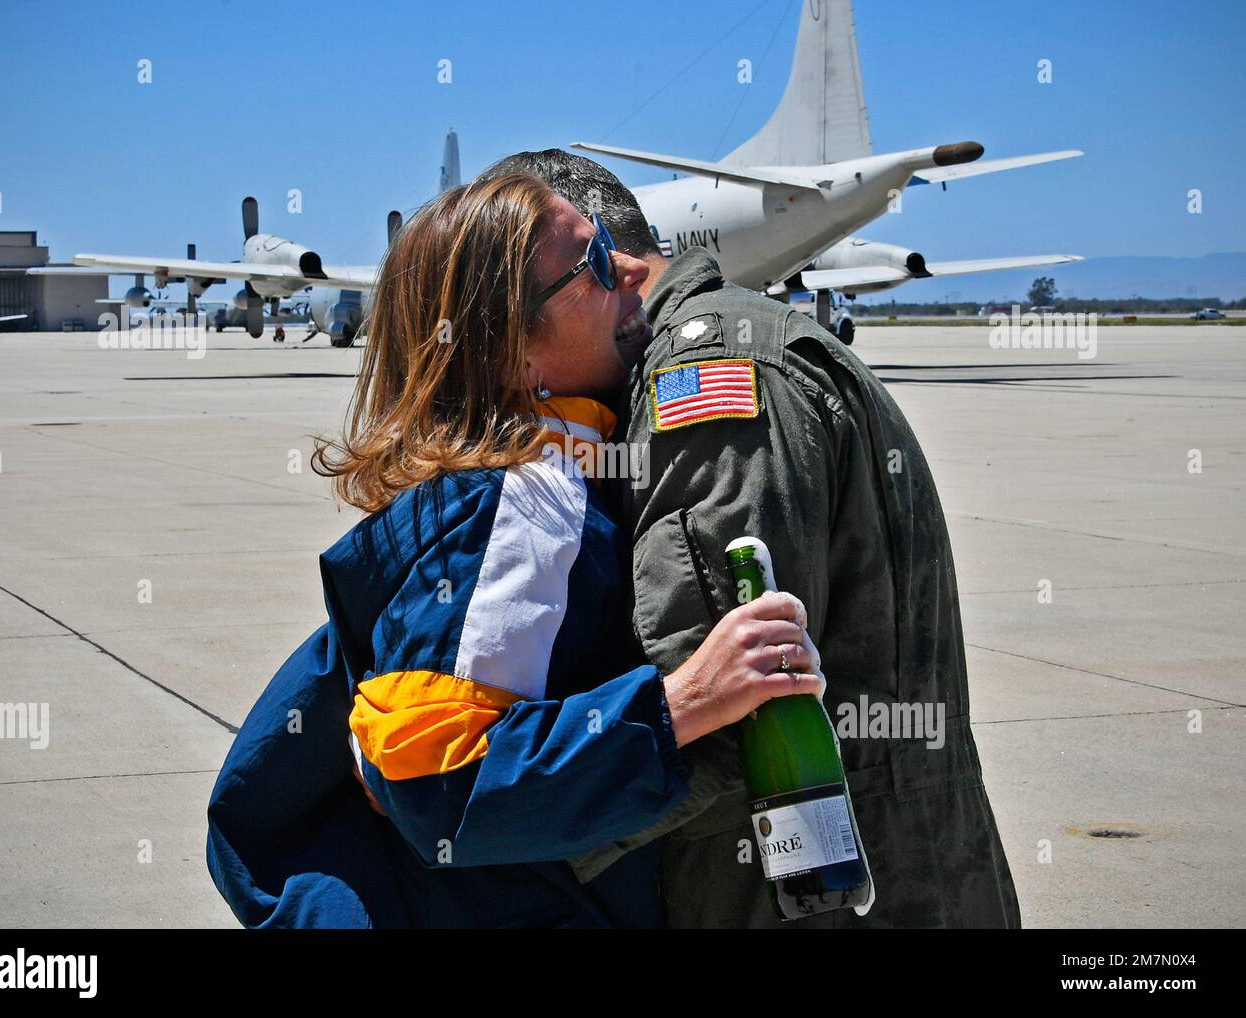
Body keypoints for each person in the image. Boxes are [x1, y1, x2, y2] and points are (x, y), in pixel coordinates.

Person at [205, 171, 826, 928]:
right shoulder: (524, 497)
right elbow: (442, 781)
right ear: (515, 353)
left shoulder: (557, 468)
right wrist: (684, 703)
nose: (634, 269)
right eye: (595, 266)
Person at [480, 150, 1022, 929]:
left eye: (516, 329)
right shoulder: (749, 341)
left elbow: (729, 713)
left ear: (606, 267)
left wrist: (502, 840)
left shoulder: (704, 378)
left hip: (800, 898)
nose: (519, 376)